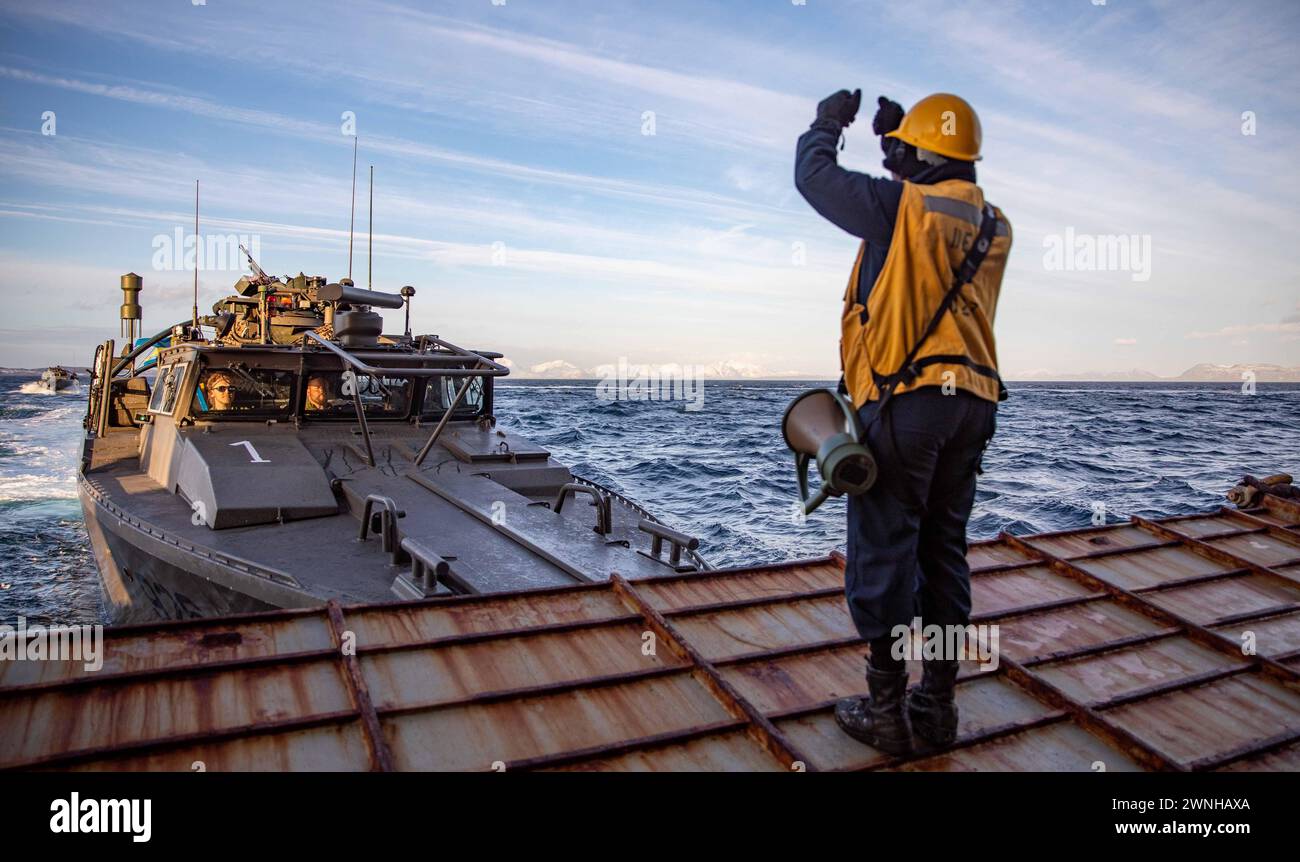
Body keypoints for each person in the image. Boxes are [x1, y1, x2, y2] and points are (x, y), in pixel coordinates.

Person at [795, 90, 1012, 755]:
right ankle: (937, 708)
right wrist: (900, 143)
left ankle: (885, 711)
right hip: (972, 404)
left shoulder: (901, 210)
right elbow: (936, 186)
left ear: (920, 156)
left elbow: (815, 178)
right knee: (943, 552)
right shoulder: (991, 221)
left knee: (885, 550)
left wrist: (827, 123)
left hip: (909, 406)